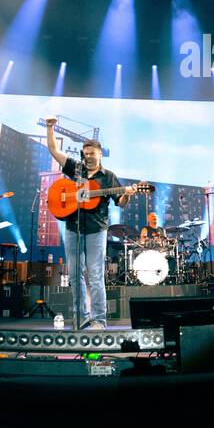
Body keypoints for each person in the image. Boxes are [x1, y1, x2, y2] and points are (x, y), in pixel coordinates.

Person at [44, 120, 142, 330]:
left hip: (97, 230)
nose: (88, 156)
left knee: (96, 276)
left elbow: (121, 203)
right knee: (74, 275)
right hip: (73, 228)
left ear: (100, 154)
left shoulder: (108, 177)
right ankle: (80, 318)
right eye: (86, 153)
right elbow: (53, 149)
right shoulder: (75, 169)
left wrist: (128, 194)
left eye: (92, 153)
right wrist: (50, 127)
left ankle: (99, 320)